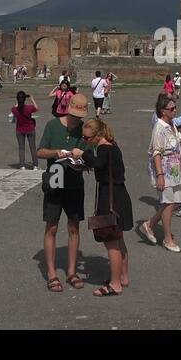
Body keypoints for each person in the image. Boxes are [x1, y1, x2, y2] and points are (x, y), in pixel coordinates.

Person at [73, 118, 133, 296]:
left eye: (87, 138)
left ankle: (115, 284)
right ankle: (123, 277)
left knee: (111, 242)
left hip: (110, 198)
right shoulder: (112, 145)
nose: (85, 140)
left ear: (98, 135)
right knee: (119, 238)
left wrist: (82, 154)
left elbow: (98, 163)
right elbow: (104, 167)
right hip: (120, 195)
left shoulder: (104, 148)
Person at [38, 93, 90, 292]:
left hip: (74, 182)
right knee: (51, 226)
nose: (76, 120)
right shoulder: (53, 126)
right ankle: (51, 273)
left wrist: (82, 162)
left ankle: (71, 271)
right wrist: (57, 152)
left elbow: (87, 156)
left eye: (79, 117)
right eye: (74, 116)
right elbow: (40, 151)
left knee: (74, 227)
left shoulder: (84, 130)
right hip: (55, 177)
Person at [139, 95, 181, 252]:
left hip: (173, 170)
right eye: (171, 109)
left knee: (171, 203)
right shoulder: (159, 128)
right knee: (167, 203)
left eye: (175, 107)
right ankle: (167, 239)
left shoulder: (171, 123)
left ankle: (149, 224)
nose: (175, 110)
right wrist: (160, 175)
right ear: (162, 111)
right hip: (164, 171)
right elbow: (156, 153)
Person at [12, 91, 39, 170]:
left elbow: (15, 106)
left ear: (17, 99)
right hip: (30, 128)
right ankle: (35, 165)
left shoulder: (14, 109)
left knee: (21, 148)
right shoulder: (29, 108)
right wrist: (32, 99)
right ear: (24, 99)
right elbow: (37, 108)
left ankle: (22, 165)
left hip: (20, 129)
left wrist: (19, 100)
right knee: (32, 147)